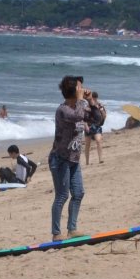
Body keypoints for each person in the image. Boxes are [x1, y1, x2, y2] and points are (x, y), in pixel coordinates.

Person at [49, 75, 95, 241]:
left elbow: (96, 118)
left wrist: (91, 101)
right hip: (60, 159)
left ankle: (72, 229)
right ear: (74, 90)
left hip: (74, 159)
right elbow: (77, 116)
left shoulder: (80, 107)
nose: (82, 89)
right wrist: (83, 100)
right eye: (80, 87)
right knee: (62, 196)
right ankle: (56, 233)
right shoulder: (63, 110)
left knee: (78, 193)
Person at [84, 91, 106, 165]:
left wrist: (101, 110)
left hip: (97, 126)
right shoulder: (86, 107)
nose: (94, 100)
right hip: (89, 126)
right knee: (87, 144)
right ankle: (87, 162)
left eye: (95, 99)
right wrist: (86, 126)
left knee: (98, 141)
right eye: (93, 99)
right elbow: (83, 118)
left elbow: (104, 116)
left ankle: (100, 159)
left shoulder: (100, 106)